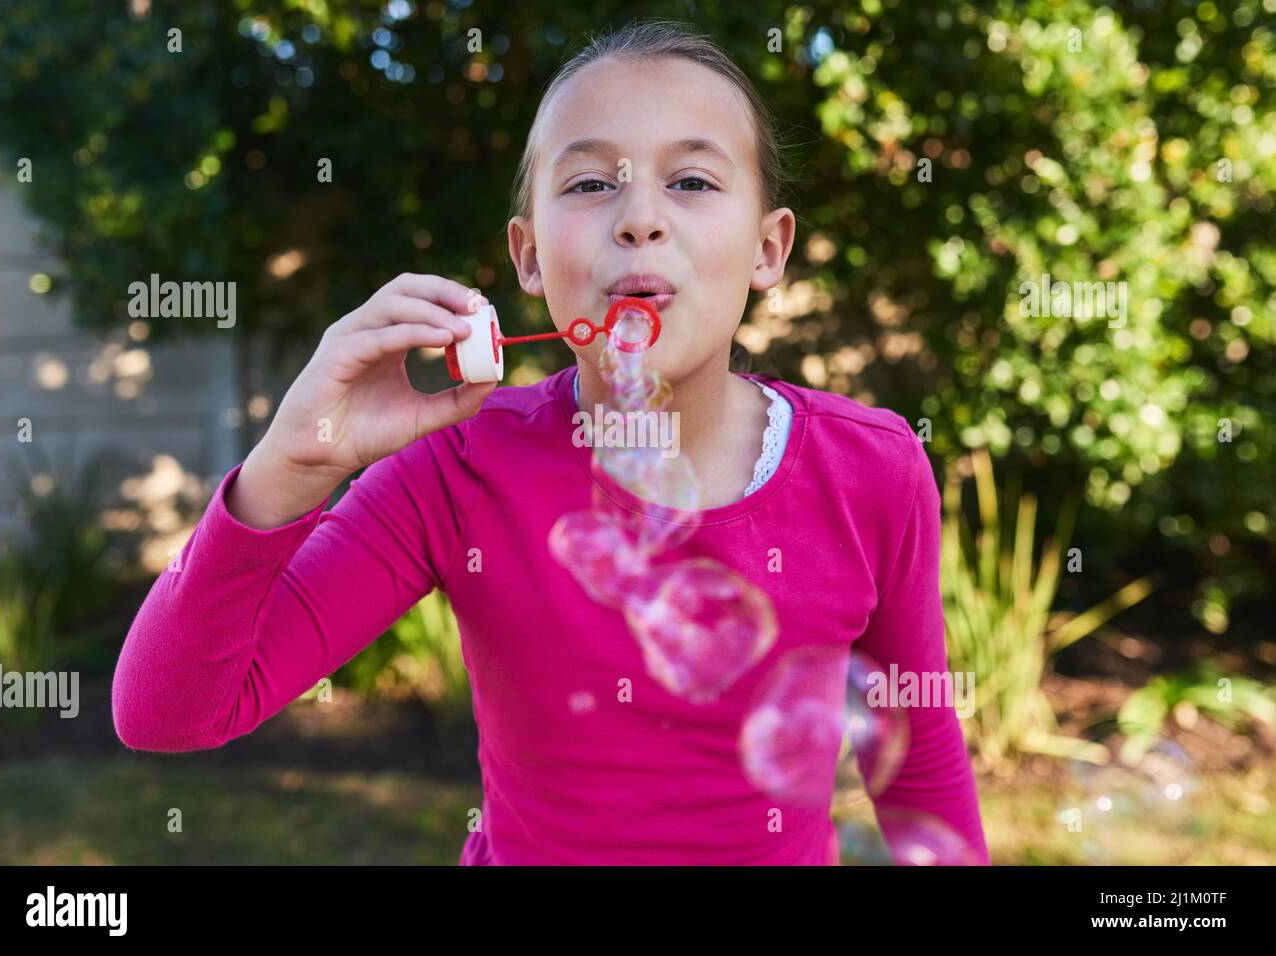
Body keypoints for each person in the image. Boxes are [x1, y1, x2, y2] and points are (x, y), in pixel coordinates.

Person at [112, 19, 990, 866]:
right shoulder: (457, 466)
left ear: (769, 249)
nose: (640, 218)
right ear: (529, 261)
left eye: (690, 181)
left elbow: (917, 758)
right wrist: (290, 467)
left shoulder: (873, 468)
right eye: (589, 184)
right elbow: (168, 712)